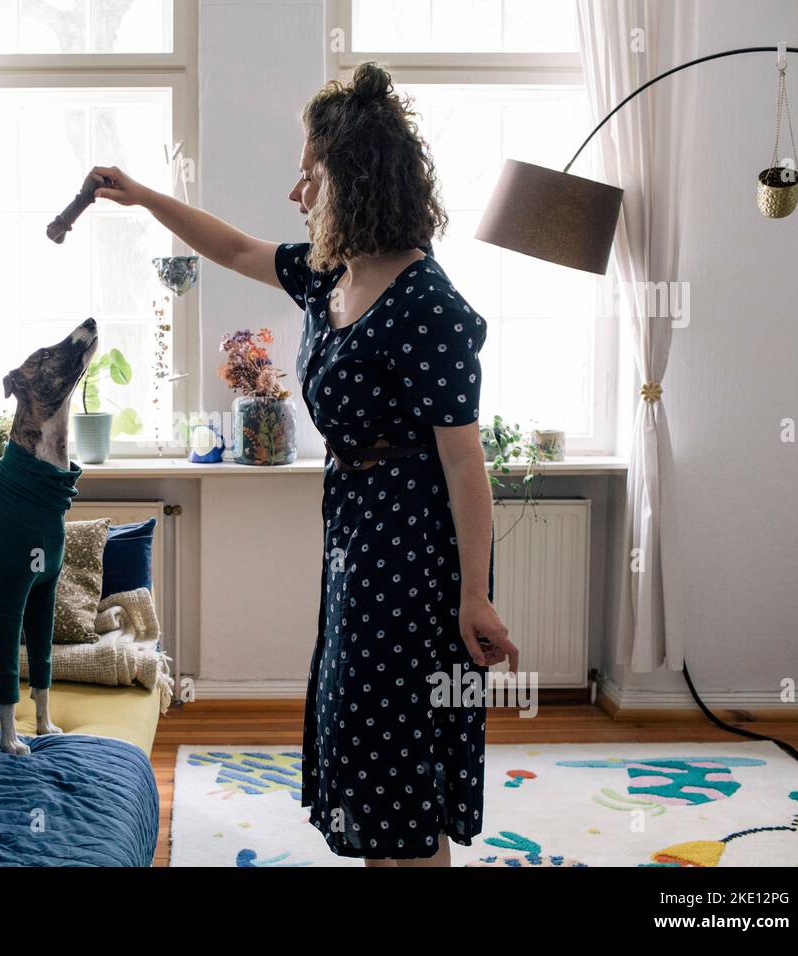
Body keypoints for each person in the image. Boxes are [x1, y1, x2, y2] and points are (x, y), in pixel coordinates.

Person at [90, 61, 519, 866]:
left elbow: (467, 467)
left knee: (401, 750)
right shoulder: (331, 275)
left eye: (308, 176)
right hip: (356, 534)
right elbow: (236, 247)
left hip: (414, 551)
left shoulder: (432, 308)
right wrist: (144, 196)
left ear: (351, 180)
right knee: (362, 731)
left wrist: (475, 596)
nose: (297, 194)